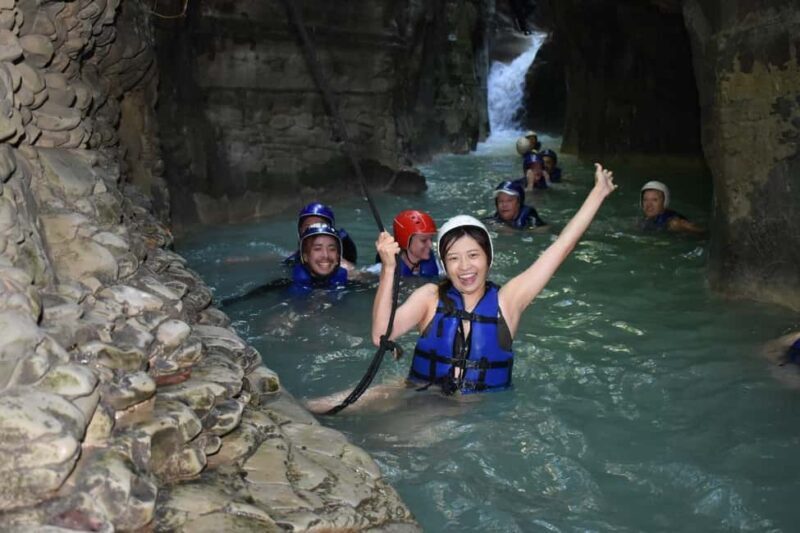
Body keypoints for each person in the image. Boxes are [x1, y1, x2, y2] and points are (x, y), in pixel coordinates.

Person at [306, 163, 617, 412]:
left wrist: (598, 194)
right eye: (453, 258)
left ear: (488, 259)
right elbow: (380, 335)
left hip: (471, 409)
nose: (465, 267)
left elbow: (560, 248)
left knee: (399, 440)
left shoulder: (508, 301)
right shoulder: (429, 297)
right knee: (320, 407)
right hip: (416, 389)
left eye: (473, 256)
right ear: (443, 263)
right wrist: (389, 268)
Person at [284, 202, 358, 265]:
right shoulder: (292, 262)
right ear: (299, 232)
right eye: (308, 227)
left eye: (320, 226)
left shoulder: (345, 246)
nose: (314, 231)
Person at [381, 210, 442, 278]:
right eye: (423, 240)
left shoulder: (441, 268)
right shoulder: (381, 271)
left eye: (431, 239)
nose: (430, 245)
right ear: (405, 241)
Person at [639, 181, 704, 234]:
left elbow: (702, 232)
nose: (649, 204)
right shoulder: (646, 219)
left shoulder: (673, 222)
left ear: (665, 202)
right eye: (645, 200)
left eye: (655, 200)